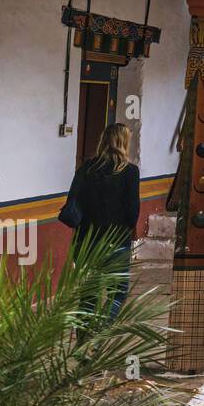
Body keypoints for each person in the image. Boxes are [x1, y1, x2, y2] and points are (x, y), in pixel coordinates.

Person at [60, 123, 141, 319]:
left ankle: (83, 339)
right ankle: (99, 333)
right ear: (124, 142)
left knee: (89, 295)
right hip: (116, 242)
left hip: (85, 241)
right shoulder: (129, 172)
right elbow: (132, 212)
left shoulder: (86, 168)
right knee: (117, 294)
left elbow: (73, 202)